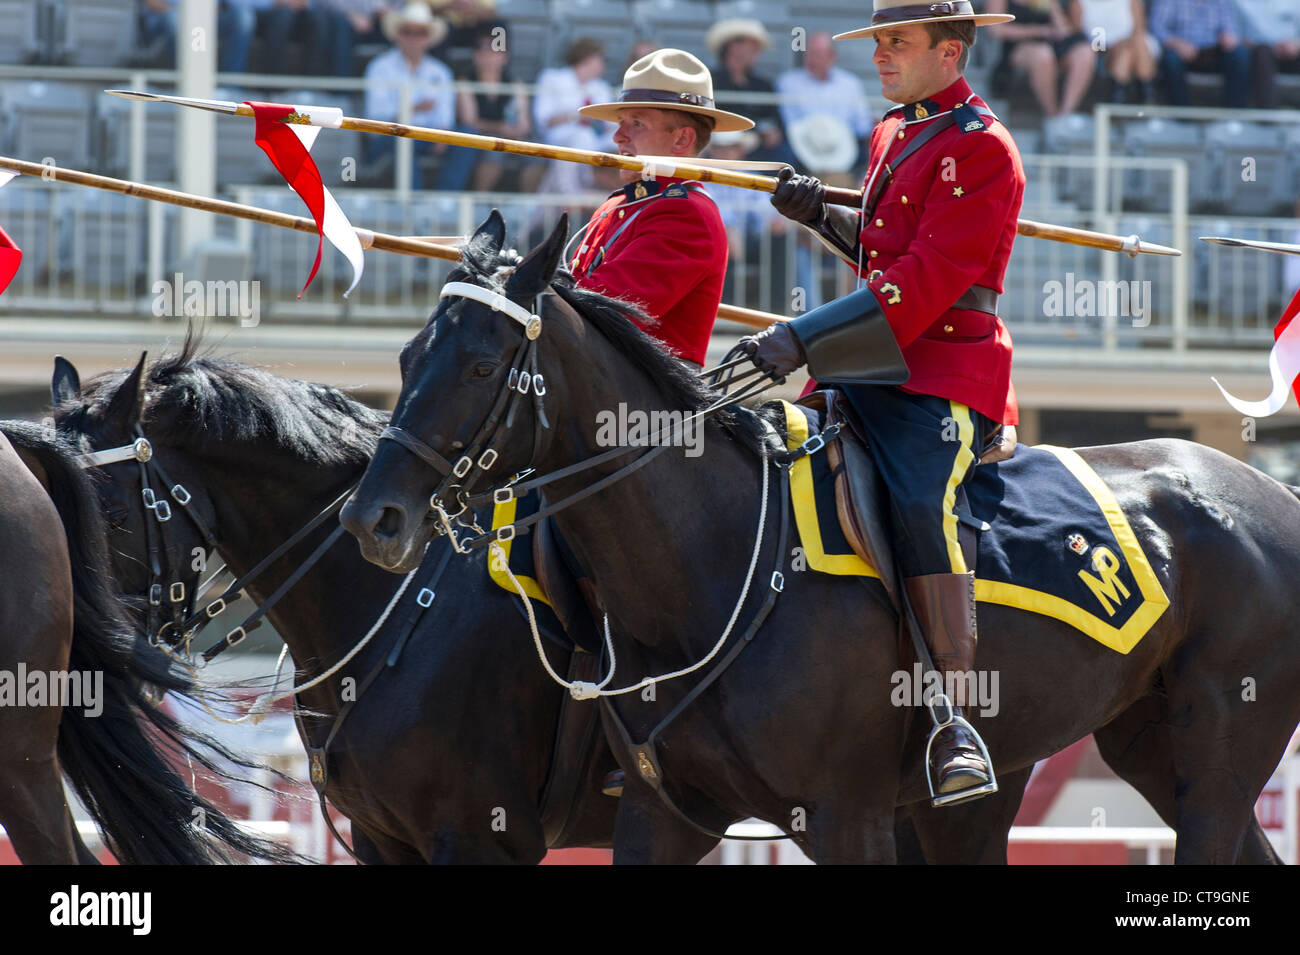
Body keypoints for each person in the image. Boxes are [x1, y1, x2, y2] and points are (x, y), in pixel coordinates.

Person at [740, 0, 1026, 802]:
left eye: (897, 42)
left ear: (951, 50)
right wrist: (824, 216)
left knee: (916, 499)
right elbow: (884, 257)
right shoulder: (894, 132)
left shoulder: (983, 149)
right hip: (868, 362)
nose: (880, 56)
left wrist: (800, 334)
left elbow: (926, 282)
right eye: (878, 42)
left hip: (942, 372)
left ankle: (952, 715)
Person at [568, 48, 754, 366]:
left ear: (681, 140)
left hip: (643, 408)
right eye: (621, 122)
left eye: (636, 123)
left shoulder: (687, 214)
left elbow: (602, 314)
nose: (617, 136)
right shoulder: (624, 201)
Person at [362, 2, 457, 188]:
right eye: (408, 32)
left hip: (428, 138)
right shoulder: (380, 68)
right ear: (398, 35)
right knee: (404, 141)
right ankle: (416, 204)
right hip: (389, 136)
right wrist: (413, 108)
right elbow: (376, 117)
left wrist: (443, 135)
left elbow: (446, 117)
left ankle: (447, 200)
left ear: (428, 38)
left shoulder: (441, 72)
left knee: (466, 139)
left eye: (420, 33)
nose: (414, 38)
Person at [776, 31, 875, 176]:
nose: (812, 59)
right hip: (802, 146)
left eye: (818, 54)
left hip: (843, 148)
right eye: (809, 53)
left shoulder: (850, 83)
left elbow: (862, 125)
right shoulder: (788, 82)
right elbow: (789, 123)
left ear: (832, 56)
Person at [455, 27, 539, 192]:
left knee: (538, 153)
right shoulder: (465, 81)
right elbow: (469, 121)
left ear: (504, 56)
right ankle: (480, 198)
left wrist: (515, 131)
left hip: (508, 135)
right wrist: (500, 128)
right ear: (475, 55)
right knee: (493, 151)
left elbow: (524, 124)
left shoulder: (514, 84)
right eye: (483, 50)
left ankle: (527, 204)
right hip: (479, 137)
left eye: (494, 50)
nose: (488, 56)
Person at [533, 38, 616, 198]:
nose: (602, 66)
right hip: (559, 135)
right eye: (599, 61)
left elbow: (609, 124)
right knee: (581, 137)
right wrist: (577, 116)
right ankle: (573, 190)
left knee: (619, 141)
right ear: (586, 59)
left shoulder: (601, 87)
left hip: (595, 138)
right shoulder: (553, 78)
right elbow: (544, 119)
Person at [986, 0, 1096, 120]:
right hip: (1016, 48)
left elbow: (1063, 30)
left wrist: (1054, 9)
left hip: (1052, 45)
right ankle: (1052, 115)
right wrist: (1037, 31)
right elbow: (995, 29)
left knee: (1085, 53)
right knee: (1043, 54)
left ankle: (1065, 114)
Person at [707, 19, 793, 165]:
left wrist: (772, 133)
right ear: (733, 47)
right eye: (753, 47)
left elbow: (776, 123)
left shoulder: (764, 85)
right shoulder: (709, 80)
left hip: (759, 153)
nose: (757, 53)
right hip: (719, 150)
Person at [1148, 0, 1252, 108]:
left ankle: (1233, 115)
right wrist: (1176, 43)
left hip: (1214, 51)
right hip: (1181, 51)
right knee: (1171, 60)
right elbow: (1156, 27)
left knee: (1240, 55)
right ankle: (1181, 115)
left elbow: (1231, 26)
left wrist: (1228, 36)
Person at [1071, 0, 1158, 103]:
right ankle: (1147, 97)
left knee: (1134, 45)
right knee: (1125, 53)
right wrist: (1112, 46)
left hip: (1136, 46)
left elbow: (1139, 29)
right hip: (1102, 51)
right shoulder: (1079, 3)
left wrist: (1124, 43)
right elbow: (1078, 37)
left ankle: (1119, 97)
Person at [1231, 0, 1300, 109]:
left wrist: (1296, 45)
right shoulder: (1239, 3)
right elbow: (1235, 37)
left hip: (1293, 49)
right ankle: (1267, 117)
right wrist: (1270, 47)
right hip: (1258, 50)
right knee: (1262, 54)